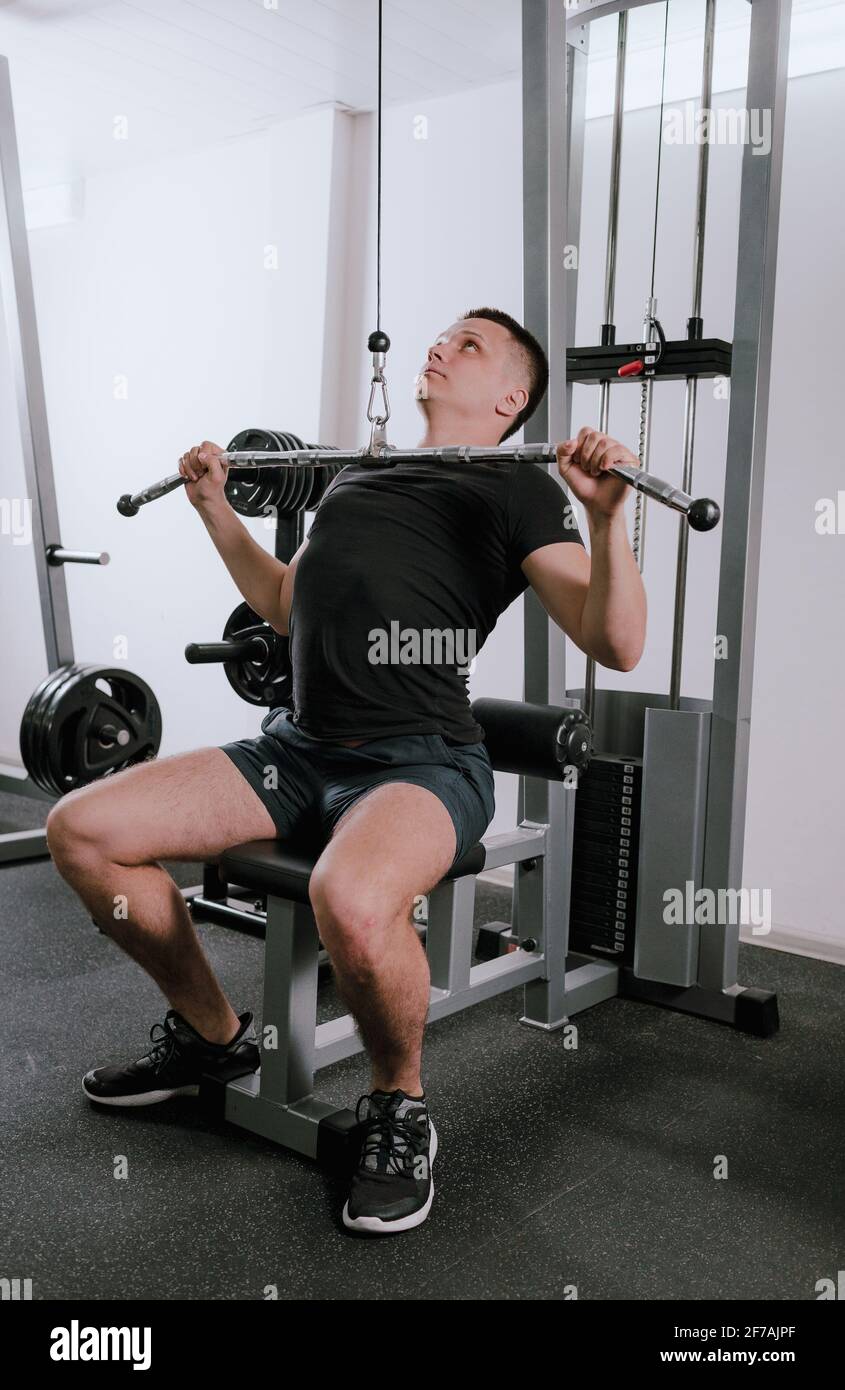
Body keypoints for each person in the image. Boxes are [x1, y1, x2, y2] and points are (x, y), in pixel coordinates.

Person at [46, 306, 646, 1235]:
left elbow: (618, 642)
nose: (441, 346)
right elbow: (288, 606)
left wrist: (608, 523)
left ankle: (397, 1107)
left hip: (423, 761)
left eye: (469, 345)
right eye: (443, 336)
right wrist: (212, 508)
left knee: (353, 898)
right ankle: (214, 1041)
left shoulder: (518, 489)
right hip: (295, 750)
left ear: (510, 398)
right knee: (81, 830)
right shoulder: (363, 471)